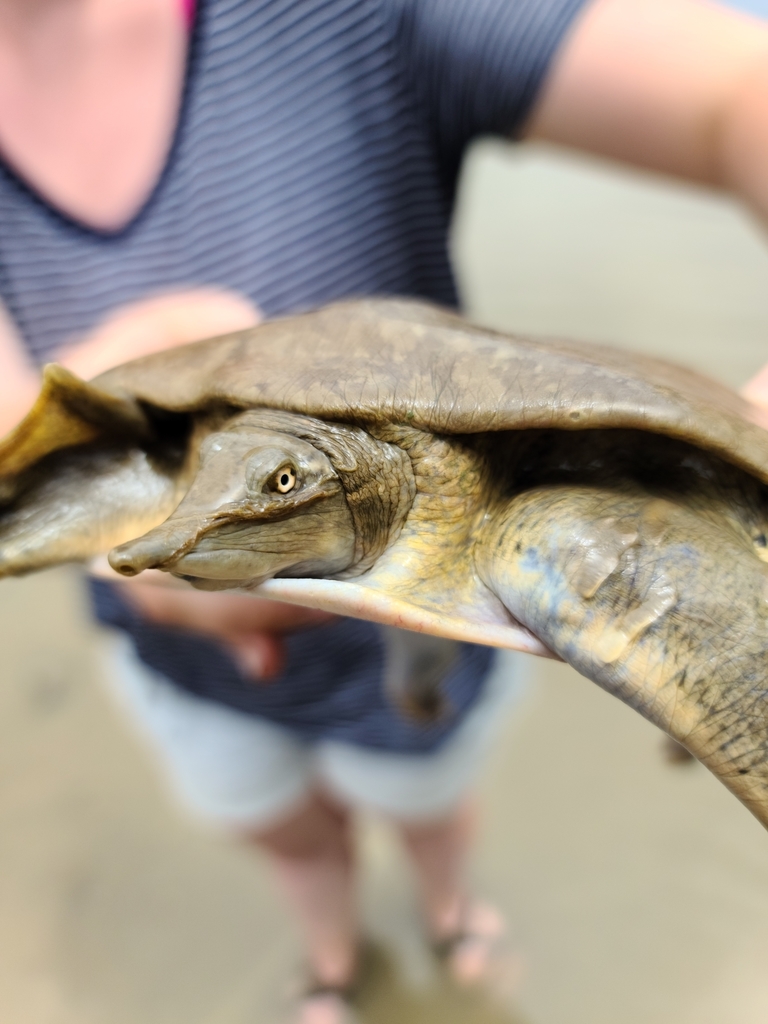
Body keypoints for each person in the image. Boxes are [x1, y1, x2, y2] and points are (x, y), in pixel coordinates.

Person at [0, 1, 767, 1021]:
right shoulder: (175, 497)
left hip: (447, 619)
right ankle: (332, 954)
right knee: (274, 822)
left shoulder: (345, 14)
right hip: (183, 666)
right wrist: (140, 502)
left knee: (429, 778)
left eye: (275, 486)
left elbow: (736, 88)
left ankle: (449, 907)